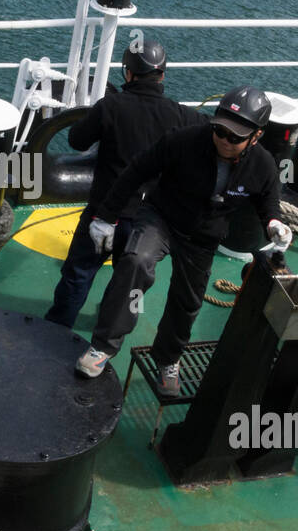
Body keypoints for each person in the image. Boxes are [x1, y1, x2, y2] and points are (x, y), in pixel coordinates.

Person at [74, 85, 294, 396]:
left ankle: (168, 358)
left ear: (256, 137)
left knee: (187, 301)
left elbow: (268, 200)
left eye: (235, 137)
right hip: (161, 218)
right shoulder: (184, 140)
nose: (224, 141)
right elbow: (136, 170)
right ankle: (103, 346)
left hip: (203, 237)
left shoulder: (263, 166)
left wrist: (274, 224)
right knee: (136, 262)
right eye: (220, 131)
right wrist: (106, 217)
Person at [44, 40, 200, 329]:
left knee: (79, 272)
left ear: (128, 74)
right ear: (162, 75)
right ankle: (111, 330)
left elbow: (77, 140)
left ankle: (56, 328)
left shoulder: (111, 106)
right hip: (145, 222)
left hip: (103, 214)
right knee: (130, 282)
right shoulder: (182, 116)